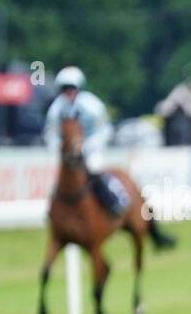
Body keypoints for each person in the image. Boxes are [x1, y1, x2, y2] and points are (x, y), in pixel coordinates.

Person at [43, 66, 129, 216]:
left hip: (90, 147)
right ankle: (54, 211)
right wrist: (59, 146)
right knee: (63, 176)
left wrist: (88, 145)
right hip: (68, 151)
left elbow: (104, 130)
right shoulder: (57, 108)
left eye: (71, 88)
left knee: (94, 168)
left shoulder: (92, 106)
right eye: (65, 89)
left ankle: (114, 200)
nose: (68, 92)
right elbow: (51, 132)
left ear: (79, 88)